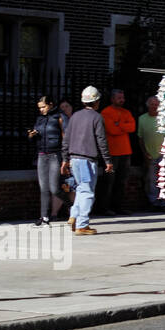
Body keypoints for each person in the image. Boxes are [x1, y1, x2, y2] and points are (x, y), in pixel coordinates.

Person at [61, 86, 113, 235]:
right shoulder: (97, 117)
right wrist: (108, 160)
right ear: (96, 102)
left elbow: (66, 139)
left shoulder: (75, 116)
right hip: (87, 160)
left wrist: (65, 159)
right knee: (87, 192)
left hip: (74, 159)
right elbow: (101, 140)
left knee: (81, 190)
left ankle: (74, 217)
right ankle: (82, 225)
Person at [28, 95, 65, 226]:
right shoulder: (40, 119)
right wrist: (32, 135)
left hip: (55, 154)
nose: (41, 110)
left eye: (43, 107)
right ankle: (44, 217)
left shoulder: (59, 117)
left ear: (50, 104)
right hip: (42, 154)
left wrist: (66, 158)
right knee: (43, 188)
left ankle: (73, 205)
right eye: (39, 108)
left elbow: (65, 137)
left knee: (54, 188)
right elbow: (34, 137)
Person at [99, 89, 136, 215]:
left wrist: (119, 124)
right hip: (112, 152)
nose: (122, 100)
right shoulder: (106, 112)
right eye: (119, 98)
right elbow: (111, 130)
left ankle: (118, 206)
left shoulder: (126, 112)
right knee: (109, 182)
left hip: (125, 151)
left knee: (122, 181)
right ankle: (104, 207)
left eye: (123, 97)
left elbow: (132, 127)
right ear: (112, 99)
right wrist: (123, 125)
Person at [138, 96, 165, 210]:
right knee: (151, 180)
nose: (154, 107)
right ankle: (154, 203)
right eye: (152, 105)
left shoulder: (164, 119)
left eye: (157, 105)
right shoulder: (142, 119)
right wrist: (145, 153)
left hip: (164, 154)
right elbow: (140, 138)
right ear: (148, 106)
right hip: (150, 154)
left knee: (164, 179)